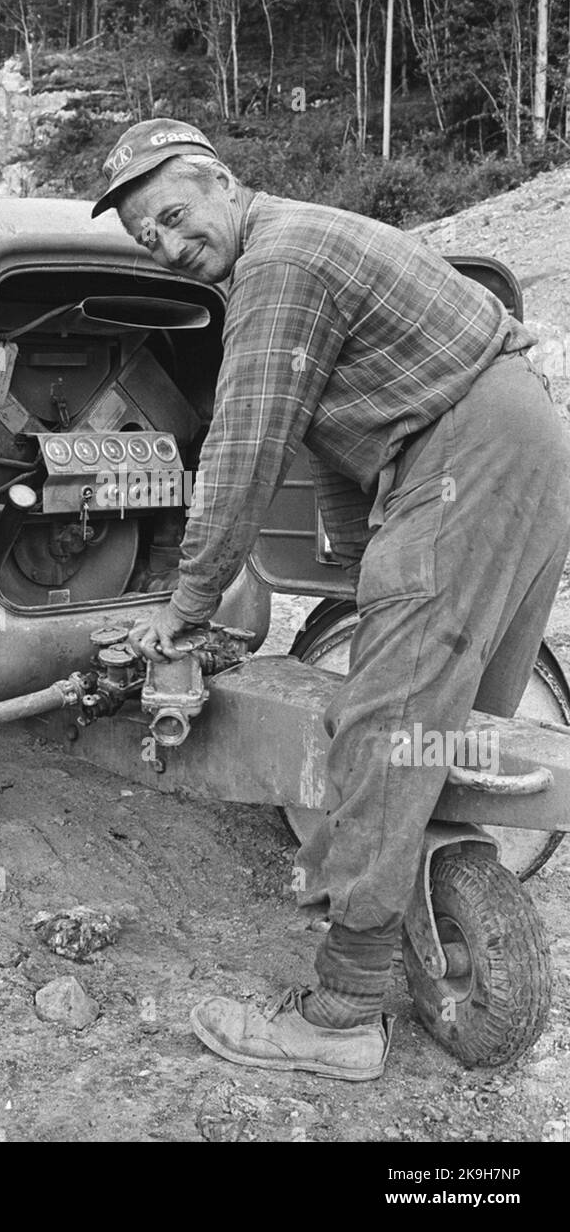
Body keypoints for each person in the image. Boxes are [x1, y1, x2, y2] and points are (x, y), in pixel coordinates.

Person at [90, 117, 570, 1081]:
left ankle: (343, 1013)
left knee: (385, 729)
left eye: (177, 218)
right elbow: (340, 441)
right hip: (515, 444)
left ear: (223, 182)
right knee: (446, 720)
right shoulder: (300, 247)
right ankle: (434, 909)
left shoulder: (280, 263)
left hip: (466, 457)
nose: (171, 247)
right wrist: (363, 590)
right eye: (148, 238)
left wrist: (184, 608)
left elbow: (246, 447)